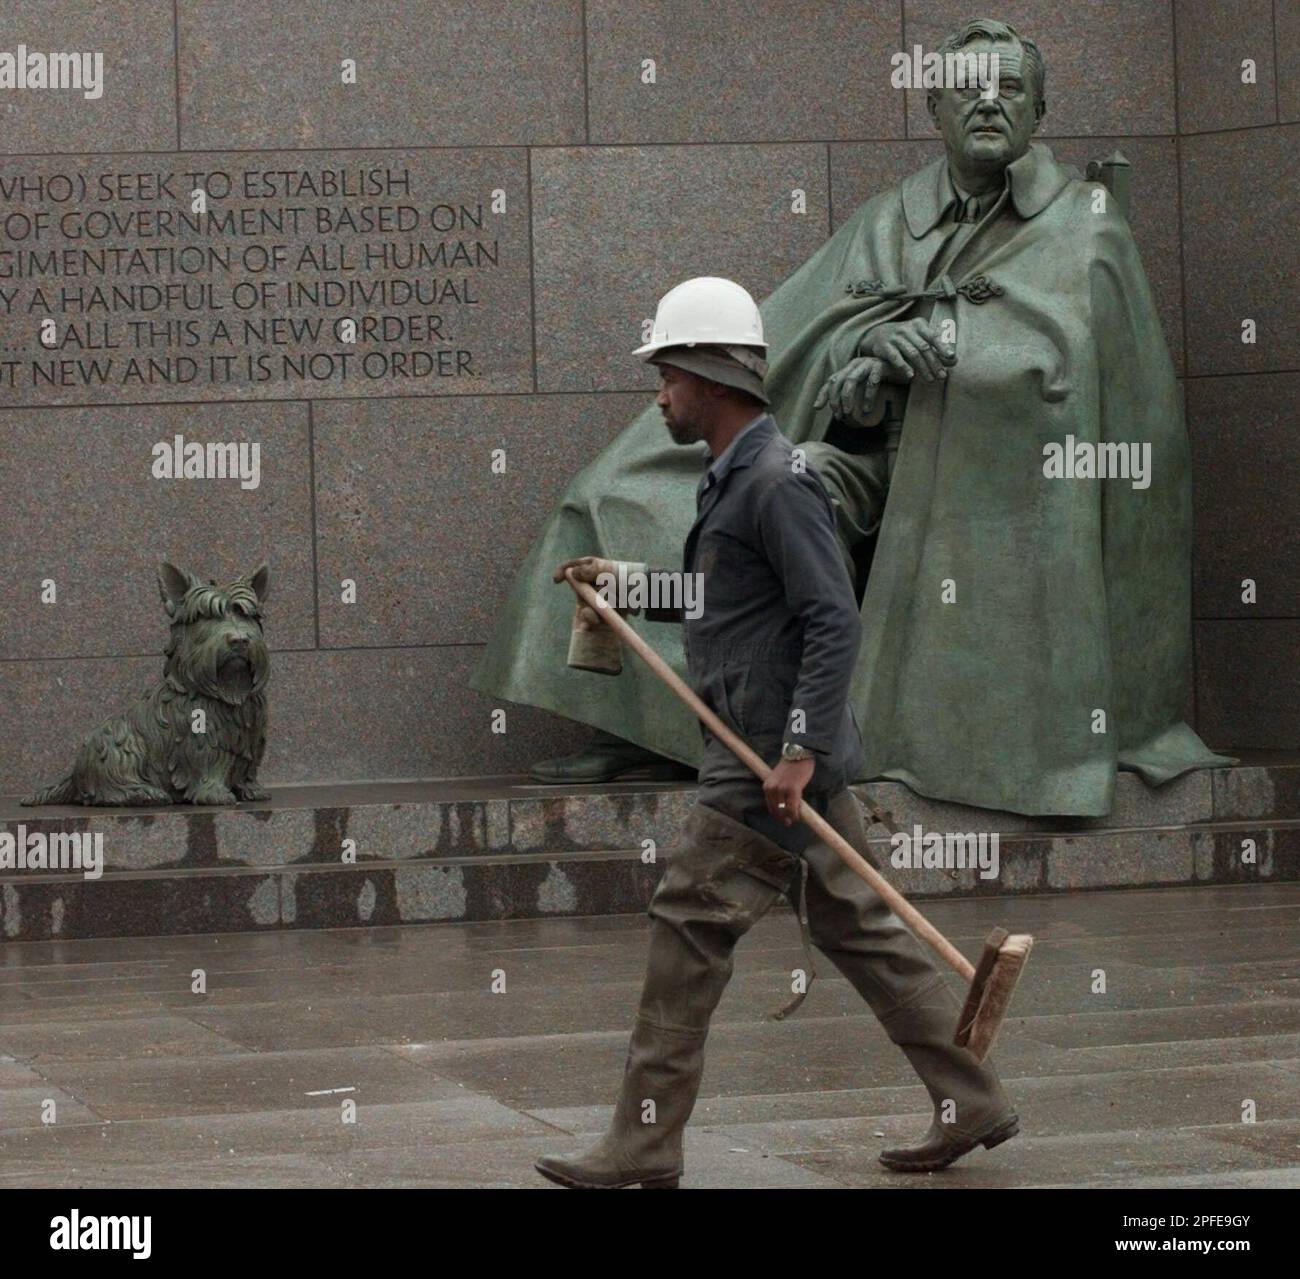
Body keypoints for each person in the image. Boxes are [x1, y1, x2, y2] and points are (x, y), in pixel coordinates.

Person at [474, 16, 1230, 816]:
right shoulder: (889, 217)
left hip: (984, 486)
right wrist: (864, 360)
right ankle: (647, 724)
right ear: (933, 107)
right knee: (620, 494)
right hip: (866, 460)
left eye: (1010, 89)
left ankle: (807, 745)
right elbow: (816, 340)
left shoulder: (1086, 222)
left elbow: (1078, 371)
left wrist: (948, 342)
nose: (988, 105)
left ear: (1039, 113)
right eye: (968, 91)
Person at [533, 278, 1017, 1189]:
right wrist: (626, 587)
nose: (660, 395)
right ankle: (973, 1099)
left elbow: (833, 618)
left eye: (668, 376)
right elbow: (727, 599)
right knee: (863, 931)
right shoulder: (740, 476)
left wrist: (796, 749)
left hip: (762, 765)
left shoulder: (774, 480)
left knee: (687, 930)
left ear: (710, 379)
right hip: (782, 758)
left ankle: (642, 1143)